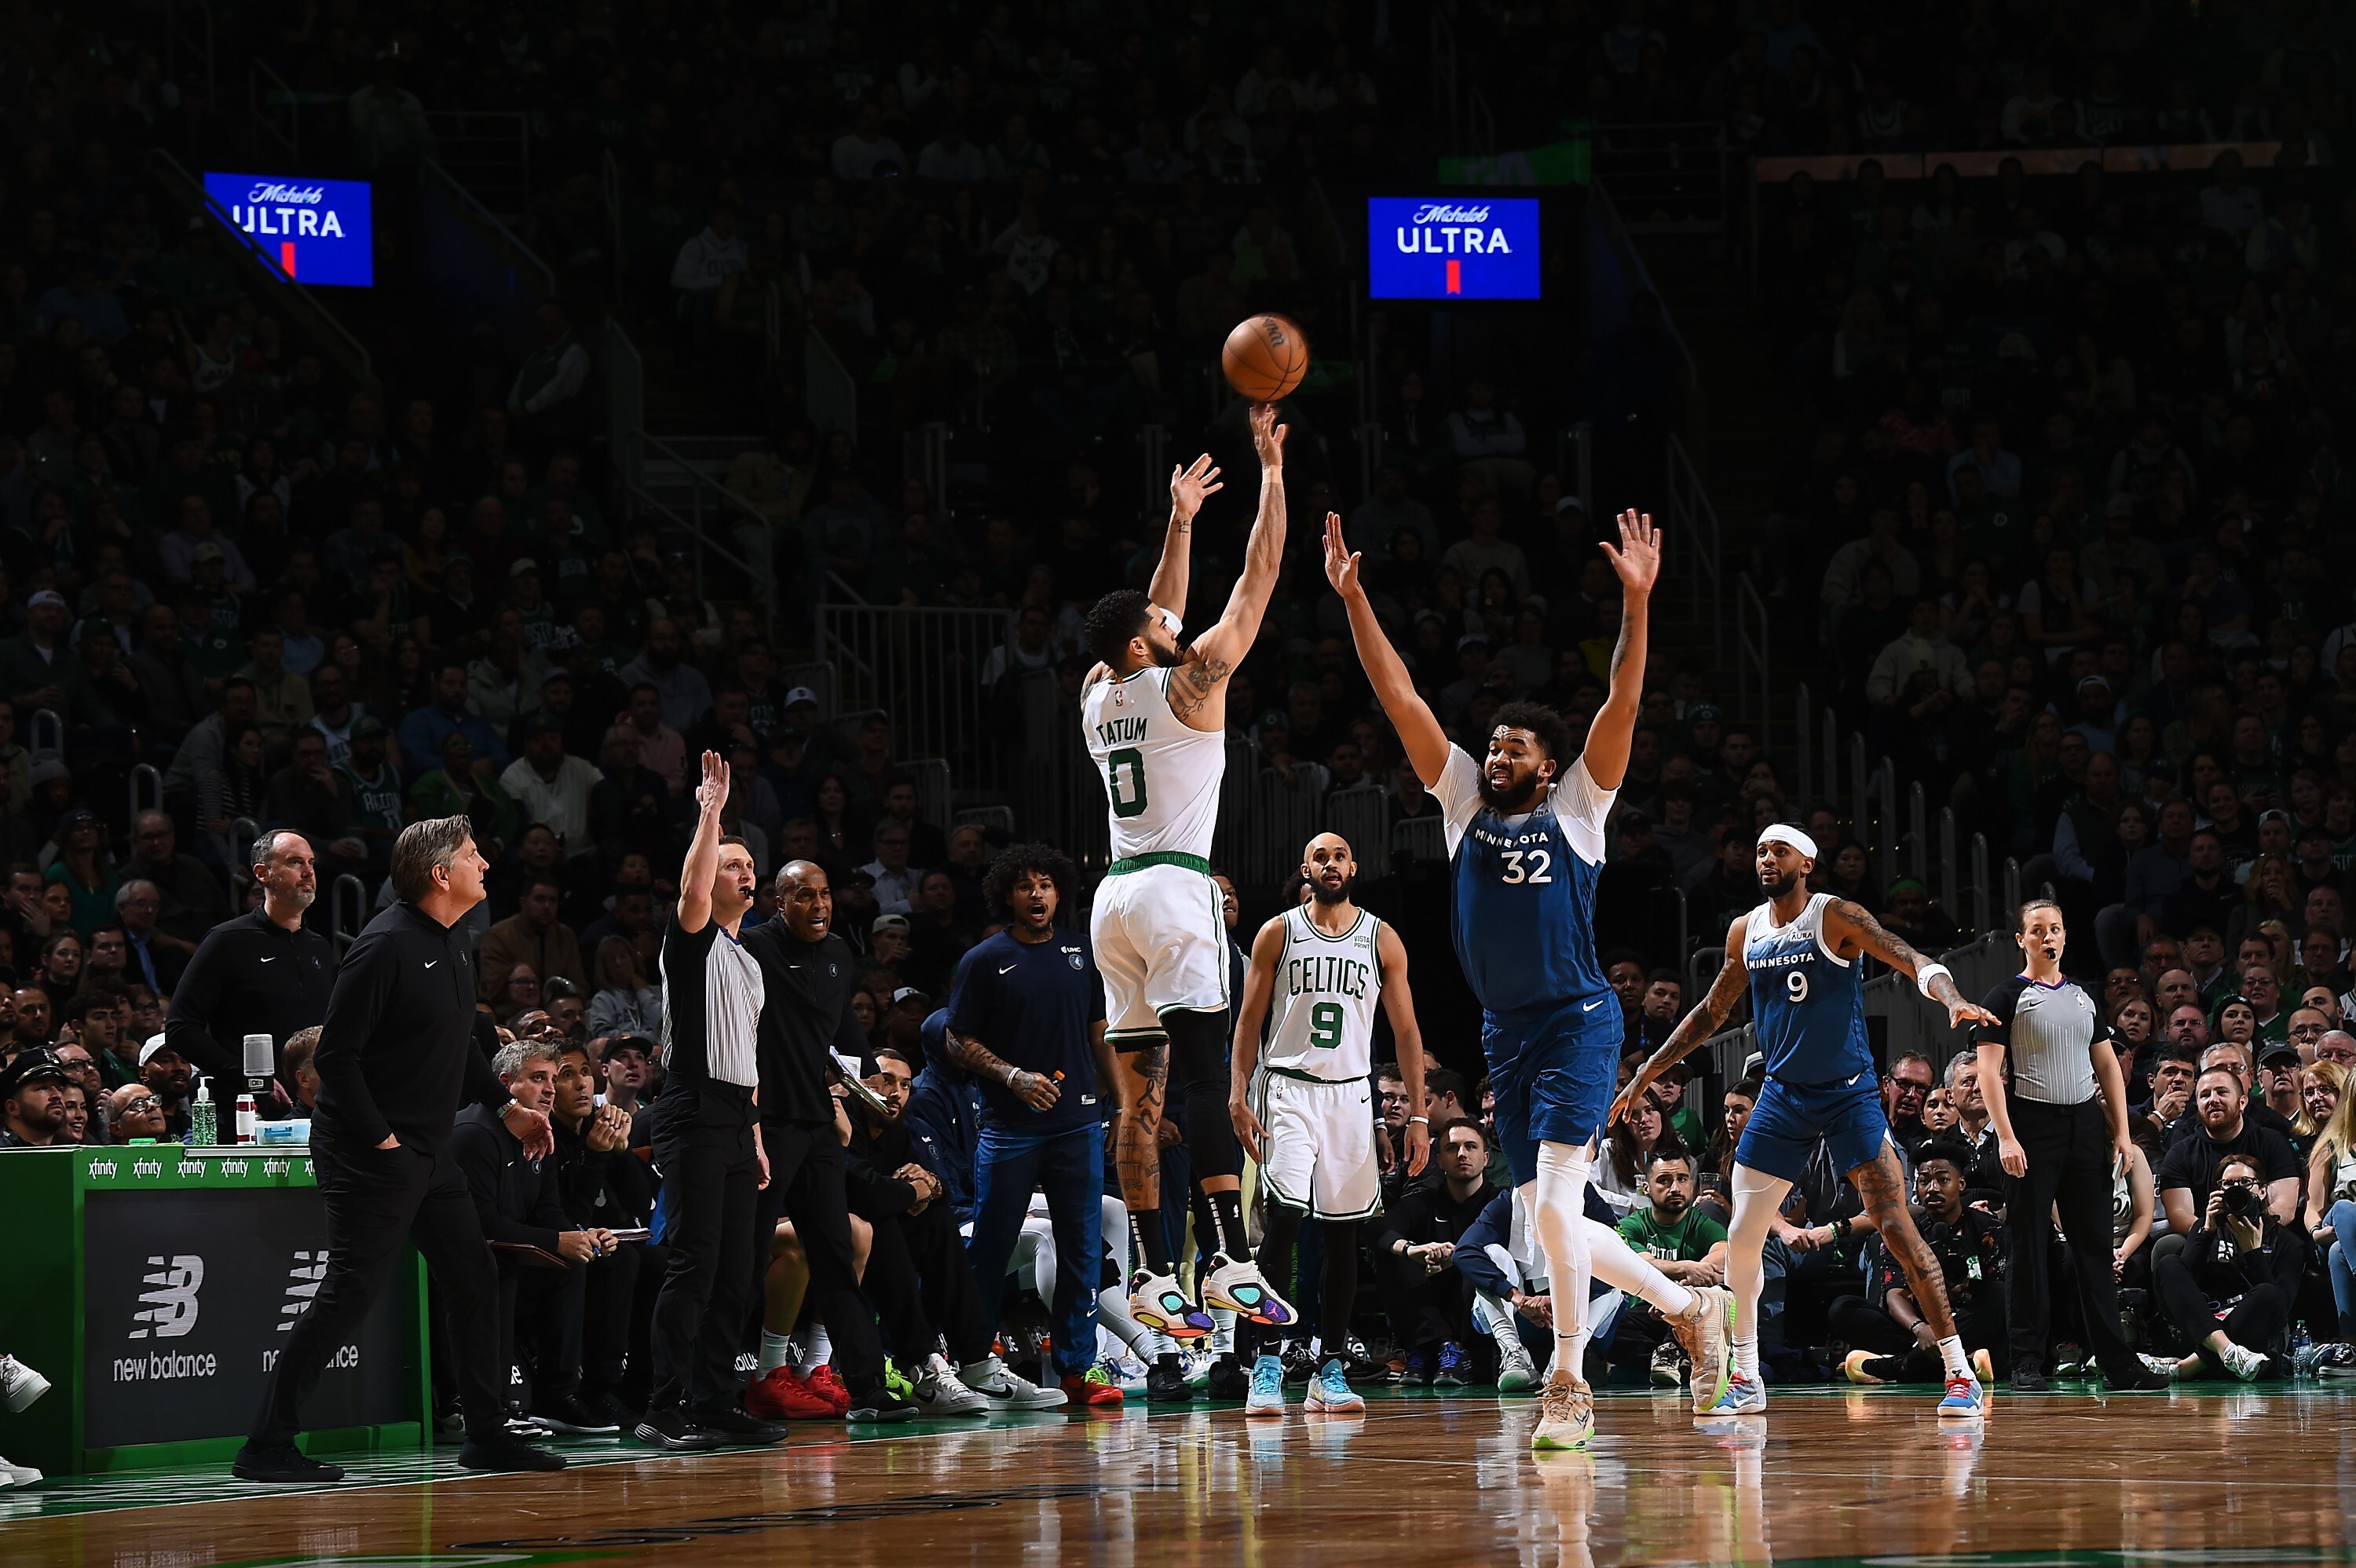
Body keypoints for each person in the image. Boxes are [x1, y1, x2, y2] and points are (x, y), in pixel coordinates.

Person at [1329, 506, 1730, 1451]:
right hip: (1506, 1030)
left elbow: (1621, 702)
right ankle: (1687, 1306)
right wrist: (1355, 602)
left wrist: (1636, 602)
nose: (1498, 751)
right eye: (1495, 742)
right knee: (1550, 1218)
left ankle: (1567, 1381)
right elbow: (1401, 698)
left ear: (1548, 769)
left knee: (1552, 1203)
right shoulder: (1464, 800)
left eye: (1517, 746)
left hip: (1580, 1018)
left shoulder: (1583, 807)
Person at [1619, 823, 1999, 1422]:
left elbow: (1907, 955)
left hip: (1847, 1094)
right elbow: (1710, 1011)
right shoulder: (1746, 929)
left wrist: (1949, 997)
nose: (1767, 858)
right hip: (1782, 1095)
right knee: (1744, 1233)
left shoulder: (1833, 915)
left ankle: (1957, 1370)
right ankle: (1746, 1371)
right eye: (1762, 850)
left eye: (1779, 851)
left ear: (1808, 862)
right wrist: (1647, 1072)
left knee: (1896, 1226)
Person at [236, 816, 563, 1482]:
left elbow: (461, 1048)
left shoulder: (456, 940)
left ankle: (487, 1435)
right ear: (441, 874)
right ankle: (266, 1444)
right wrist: (384, 1138)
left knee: (473, 1277)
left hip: (425, 1150)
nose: (486, 866)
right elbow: (337, 1055)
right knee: (350, 1294)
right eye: (474, 856)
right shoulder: (382, 945)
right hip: (368, 1150)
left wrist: (510, 1107)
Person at [1080, 415, 1294, 1337]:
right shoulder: (1194, 682)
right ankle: (1226, 1257)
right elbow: (1259, 582)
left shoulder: (1097, 689)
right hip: (1173, 888)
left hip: (1112, 899)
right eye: (1168, 621)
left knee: (1138, 1095)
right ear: (1150, 645)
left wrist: (1179, 524)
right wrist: (1272, 474)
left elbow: (1143, 611)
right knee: (1205, 1075)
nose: (1181, 618)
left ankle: (1149, 1271)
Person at [1227, 831, 1429, 1416]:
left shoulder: (1380, 937)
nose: (1331, 863)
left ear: (1354, 866)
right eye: (1320, 855)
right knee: (1286, 1219)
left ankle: (1330, 1367)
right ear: (1305, 868)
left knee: (1345, 1235)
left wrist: (1415, 1115)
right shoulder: (1279, 931)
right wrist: (1238, 1095)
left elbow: (1408, 1032)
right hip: (1287, 1085)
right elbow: (1247, 1022)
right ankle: (1266, 1361)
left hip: (1349, 1094)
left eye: (1340, 854)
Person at [635, 751, 790, 1452]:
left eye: (750, 865)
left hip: (734, 1117)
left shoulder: (751, 959)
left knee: (735, 1268)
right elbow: (693, 892)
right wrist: (710, 815)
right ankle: (661, 1407)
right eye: (732, 864)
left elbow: (750, 1058)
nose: (745, 872)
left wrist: (754, 1131)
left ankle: (716, 1397)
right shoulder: (691, 942)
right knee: (695, 1261)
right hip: (691, 1109)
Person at [739, 858, 921, 1425]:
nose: (818, 906)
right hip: (767, 1125)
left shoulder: (840, 953)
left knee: (836, 1253)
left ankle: (865, 1386)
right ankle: (721, 1385)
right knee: (745, 1255)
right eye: (804, 896)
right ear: (779, 900)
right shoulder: (751, 949)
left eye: (825, 895)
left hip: (817, 1124)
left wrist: (867, 1088)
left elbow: (845, 1036)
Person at [1970, 900, 2169, 1391]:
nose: (2047, 938)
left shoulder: (2083, 998)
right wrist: (2007, 1137)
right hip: (2031, 1124)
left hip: (2084, 1125)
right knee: (2030, 1246)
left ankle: (2118, 1362)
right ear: (2021, 940)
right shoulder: (2004, 995)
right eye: (2037, 930)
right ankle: (2026, 1362)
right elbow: (1989, 1074)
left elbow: (2107, 1069)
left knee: (2095, 1248)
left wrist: (2121, 1133)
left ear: (2065, 936)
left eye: (2055, 929)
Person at [945, 844, 1119, 1407]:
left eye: (1046, 883)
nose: (1037, 893)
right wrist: (1013, 1075)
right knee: (991, 1245)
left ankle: (1077, 1369)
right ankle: (969, 1356)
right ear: (1008, 896)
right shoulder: (983, 960)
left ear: (1059, 891)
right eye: (1025, 886)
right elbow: (957, 1039)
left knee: (1081, 1250)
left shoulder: (1080, 951)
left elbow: (1100, 1032)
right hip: (1010, 1128)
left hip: (1078, 1125)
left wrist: (1122, 1105)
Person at [163, 830, 335, 1088]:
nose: (308, 872)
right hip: (248, 1107)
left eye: (311, 862)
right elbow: (180, 1028)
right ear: (262, 873)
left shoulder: (319, 947)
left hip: (317, 1107)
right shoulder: (227, 940)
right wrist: (247, 1077)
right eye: (294, 862)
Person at [1831, 1139, 2004, 1387]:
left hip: (1969, 1324)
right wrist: (1919, 1328)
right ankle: (1963, 1363)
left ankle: (1897, 1366)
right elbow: (1895, 1295)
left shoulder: (1987, 1228)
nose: (1933, 1188)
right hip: (1921, 1330)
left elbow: (2000, 1294)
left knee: (1999, 1297)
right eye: (1924, 1181)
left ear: (1961, 1184)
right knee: (1843, 1308)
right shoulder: (1902, 1232)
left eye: (1943, 1180)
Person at [2141, 1151, 2300, 1383]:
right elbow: (2181, 1288)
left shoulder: (2287, 1242)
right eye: (2228, 1184)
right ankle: (2223, 1350)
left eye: (2245, 1182)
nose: (2237, 1189)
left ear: (2263, 1190)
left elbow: (2281, 1306)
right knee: (2169, 1264)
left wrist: (2253, 1253)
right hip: (2202, 1328)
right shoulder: (2206, 1229)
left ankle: (2191, 1366)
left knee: (2268, 1293)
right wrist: (2206, 1233)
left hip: (2250, 1337)